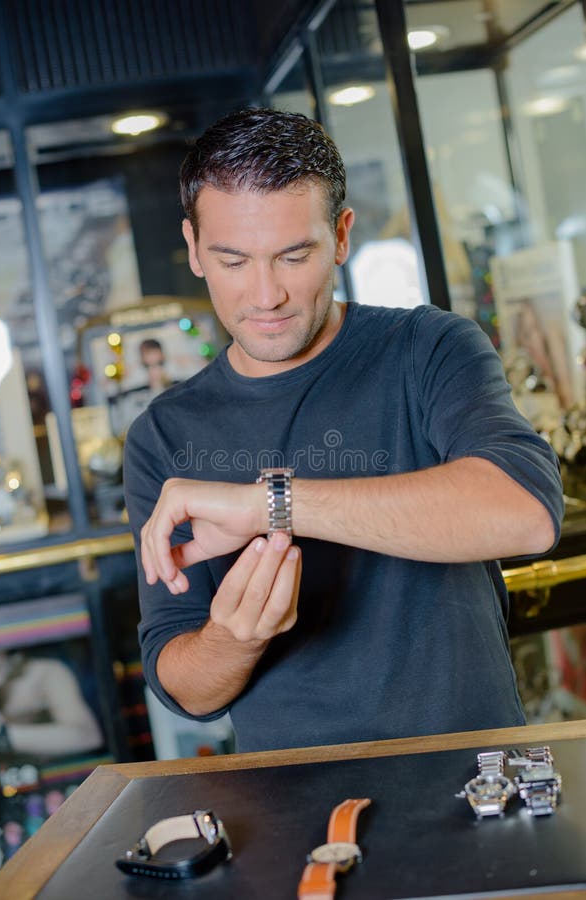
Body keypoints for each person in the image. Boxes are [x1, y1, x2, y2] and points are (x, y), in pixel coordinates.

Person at [123, 107, 564, 753]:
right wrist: (234, 639)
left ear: (340, 236)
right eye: (233, 261)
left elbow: (524, 513)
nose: (265, 295)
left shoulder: (426, 347)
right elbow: (186, 687)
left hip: (475, 779)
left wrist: (267, 505)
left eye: (293, 255)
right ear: (193, 248)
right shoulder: (163, 434)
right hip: (290, 805)